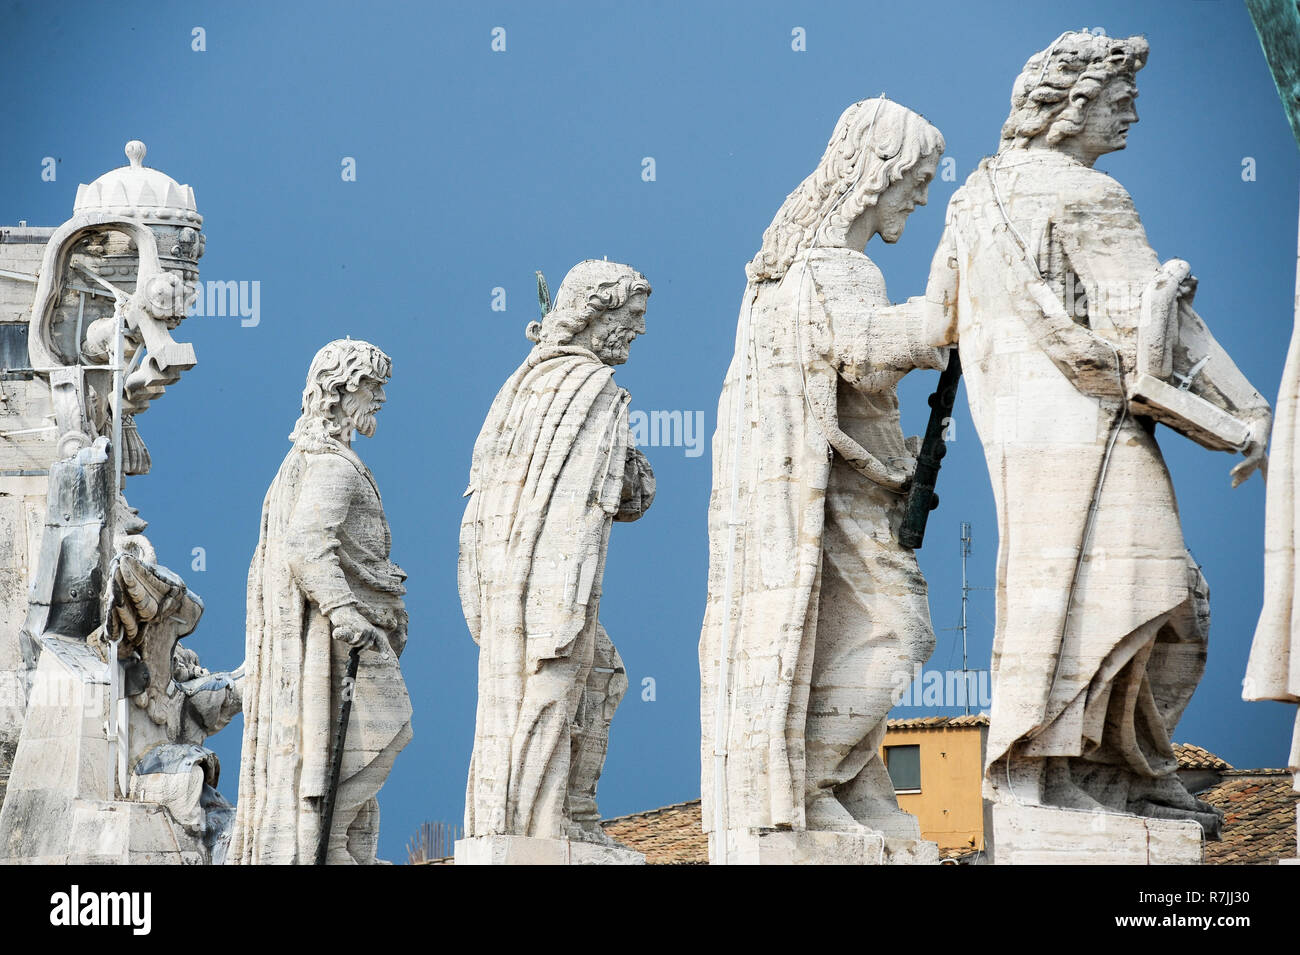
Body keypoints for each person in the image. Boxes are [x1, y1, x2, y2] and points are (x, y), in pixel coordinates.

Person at [921, 31, 1269, 833]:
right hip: (1096, 428)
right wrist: (1252, 410)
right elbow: (1161, 331)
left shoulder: (972, 198)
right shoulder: (1091, 195)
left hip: (1013, 434)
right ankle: (1094, 772)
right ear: (1076, 104)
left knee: (1059, 590)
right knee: (1156, 588)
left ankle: (1080, 772)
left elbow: (933, 325)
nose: (1132, 117)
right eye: (1123, 99)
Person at [699, 97, 946, 844]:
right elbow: (864, 355)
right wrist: (943, 317)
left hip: (846, 490)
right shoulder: (836, 269)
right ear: (879, 173)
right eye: (918, 178)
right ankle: (811, 776)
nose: (924, 195)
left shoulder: (788, 273)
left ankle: (844, 777)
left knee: (840, 638)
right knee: (901, 632)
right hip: (830, 499)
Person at [459, 260, 654, 843]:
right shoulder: (590, 389)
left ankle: (566, 814)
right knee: (556, 684)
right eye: (635, 316)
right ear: (600, 313)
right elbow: (621, 497)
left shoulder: (520, 386)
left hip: (503, 576)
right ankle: (546, 826)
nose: (640, 330)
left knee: (600, 674)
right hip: (554, 579)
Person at [230, 339, 412, 864]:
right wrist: (344, 611)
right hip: (342, 636)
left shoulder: (319, 460)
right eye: (372, 386)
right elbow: (308, 544)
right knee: (385, 730)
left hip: (347, 630)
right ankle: (329, 847)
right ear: (339, 391)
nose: (380, 398)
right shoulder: (330, 467)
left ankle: (341, 846)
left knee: (358, 741)